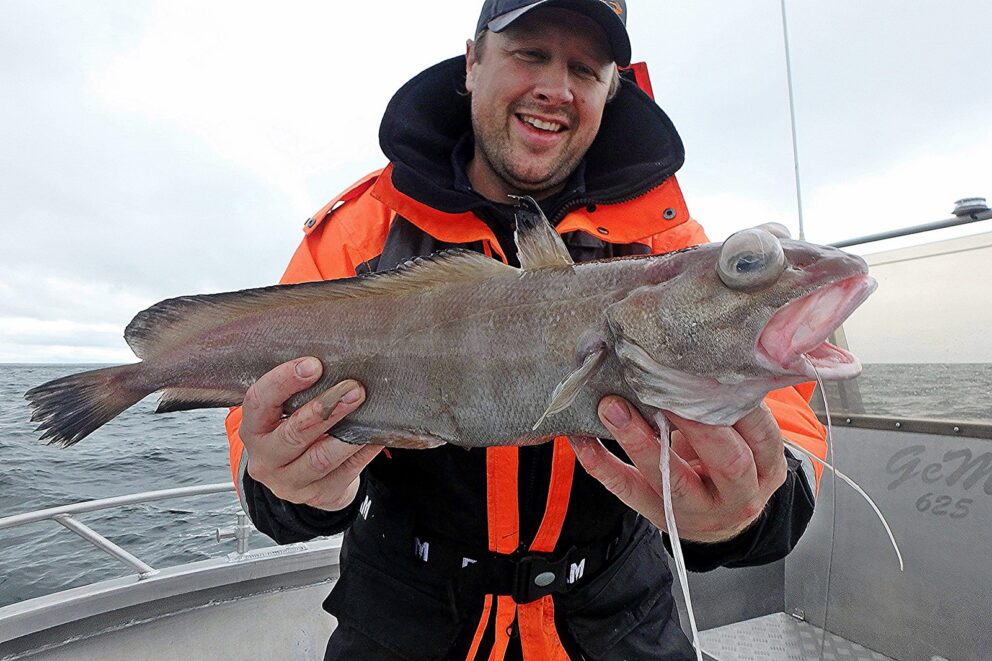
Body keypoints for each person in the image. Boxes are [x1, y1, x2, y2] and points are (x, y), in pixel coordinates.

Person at [225, 1, 828, 658]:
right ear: (472, 61)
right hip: (403, 615)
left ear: (611, 89)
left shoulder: (668, 249)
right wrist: (291, 483)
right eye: (529, 52)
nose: (555, 88)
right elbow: (258, 424)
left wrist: (748, 506)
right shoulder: (358, 237)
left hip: (619, 614)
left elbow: (783, 430)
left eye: (585, 66)